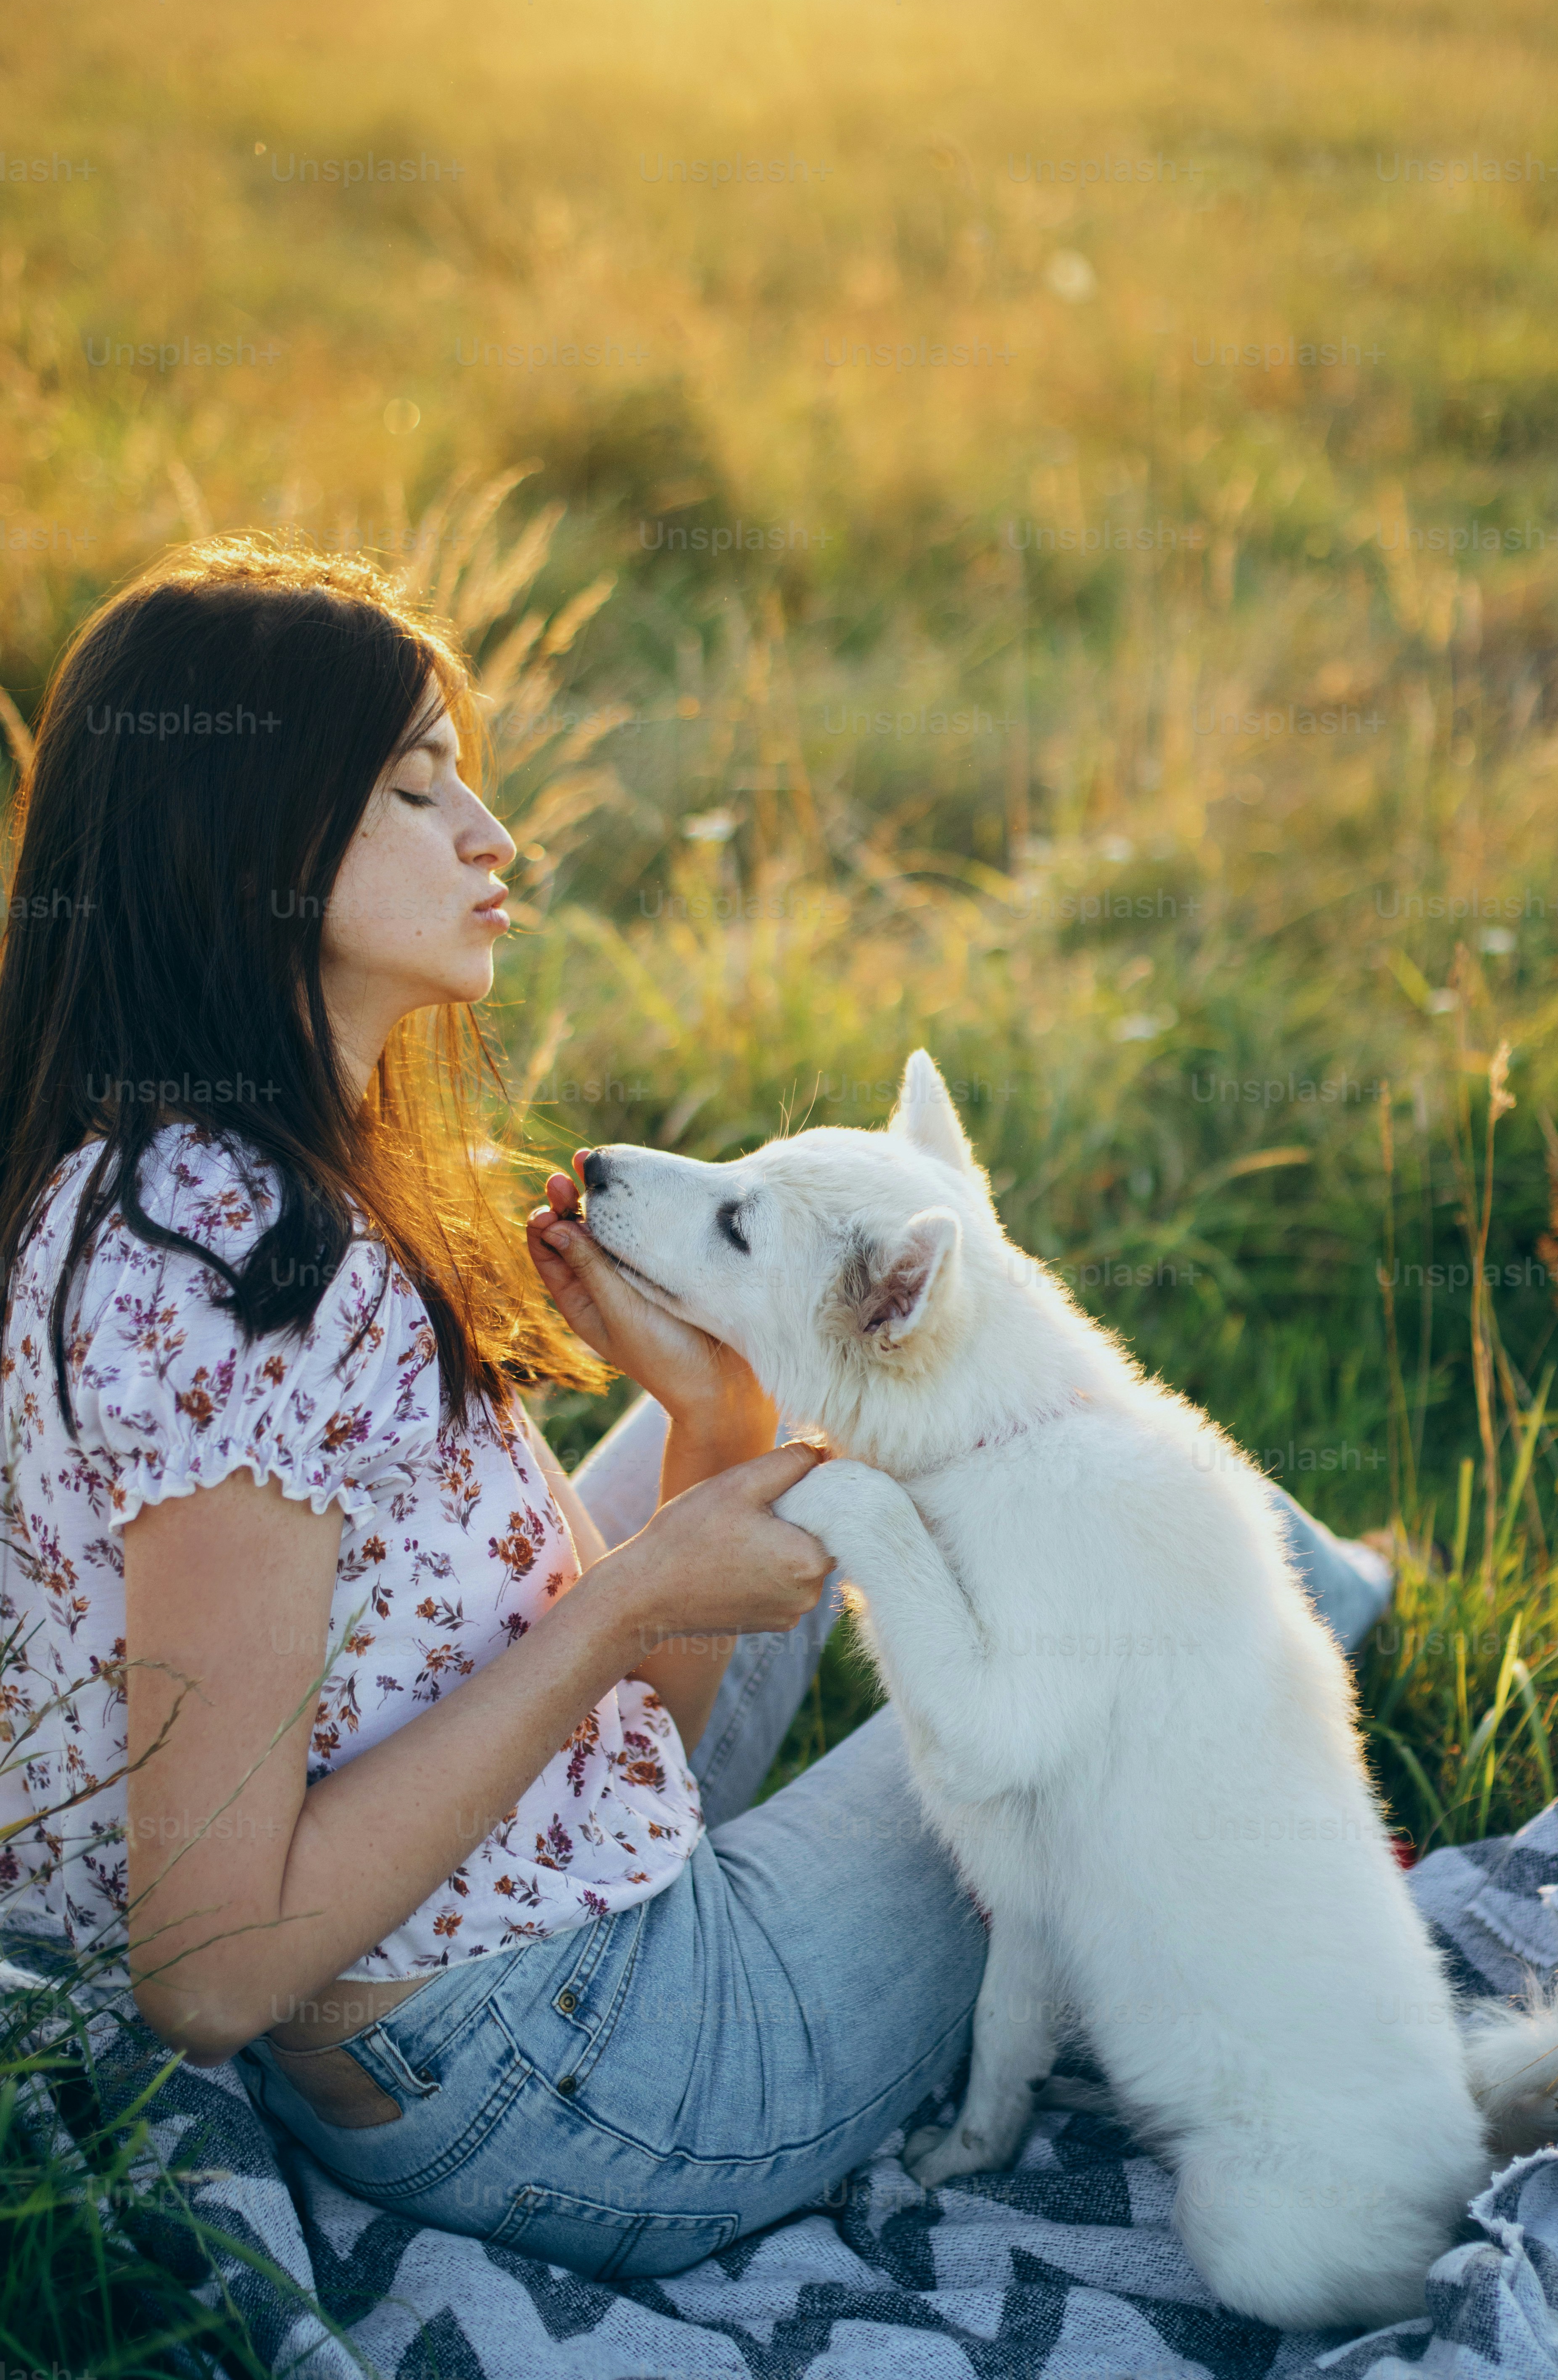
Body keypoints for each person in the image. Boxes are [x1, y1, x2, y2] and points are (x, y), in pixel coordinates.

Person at [0, 537, 1392, 2280]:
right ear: (254, 851)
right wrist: (632, 1600)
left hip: (506, 1918)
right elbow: (209, 1971)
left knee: (827, 1432)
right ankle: (1333, 1611)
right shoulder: (256, 1269)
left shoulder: (167, 1172)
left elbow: (598, 1720)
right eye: (416, 790)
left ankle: (1302, 1596)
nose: (492, 836)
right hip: (586, 2077)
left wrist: (708, 1429)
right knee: (1186, 1619)